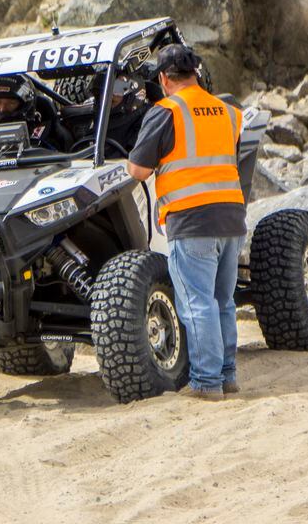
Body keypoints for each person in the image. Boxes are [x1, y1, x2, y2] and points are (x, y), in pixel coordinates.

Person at [124, 44, 245, 402]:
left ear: (163, 79)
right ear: (197, 73)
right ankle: (227, 375)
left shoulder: (166, 112)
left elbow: (138, 170)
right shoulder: (228, 111)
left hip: (192, 219)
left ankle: (207, 383)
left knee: (196, 302)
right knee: (222, 301)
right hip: (232, 216)